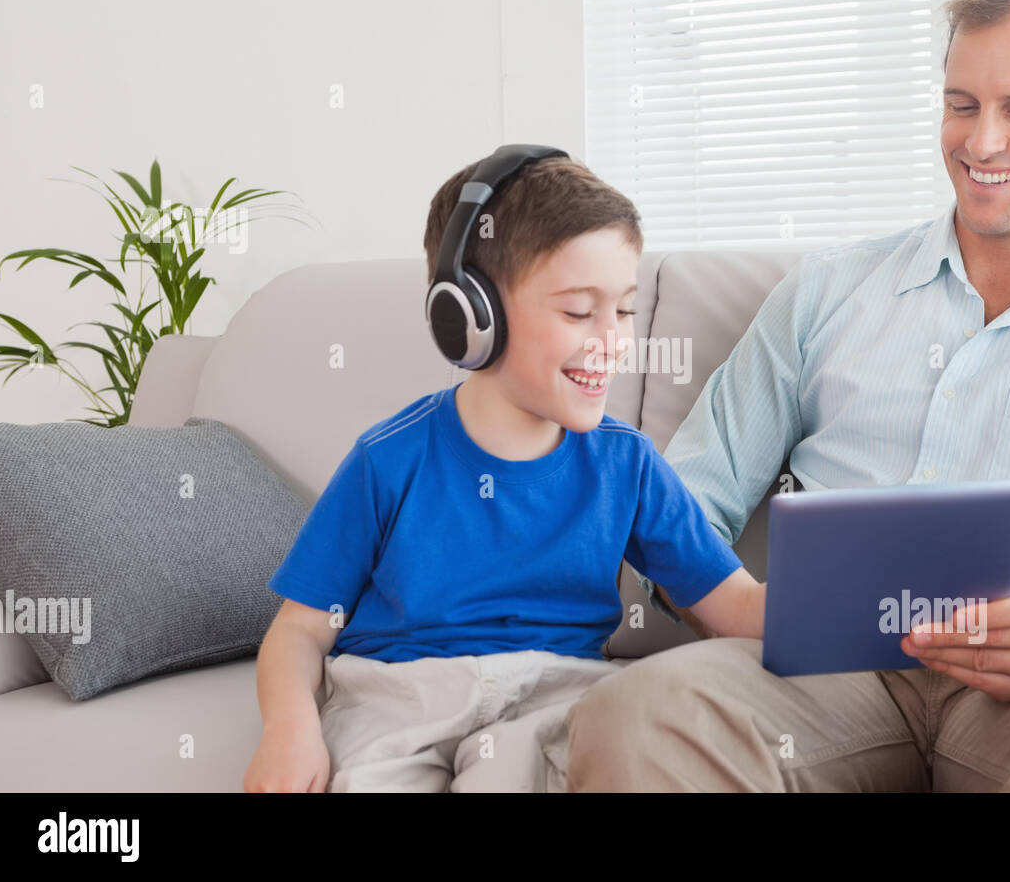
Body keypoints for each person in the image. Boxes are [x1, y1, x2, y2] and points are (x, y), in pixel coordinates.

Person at [565, 0, 1010, 792]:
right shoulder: (827, 290)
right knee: (633, 717)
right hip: (819, 679)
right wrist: (753, 611)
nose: (981, 141)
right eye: (961, 104)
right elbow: (683, 498)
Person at [242, 153, 765, 792]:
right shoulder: (389, 459)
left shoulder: (626, 465)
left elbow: (734, 604)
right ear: (469, 317)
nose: (613, 340)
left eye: (624, 311)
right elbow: (298, 629)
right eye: (578, 312)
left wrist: (862, 602)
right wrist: (289, 730)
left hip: (556, 697)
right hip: (397, 702)